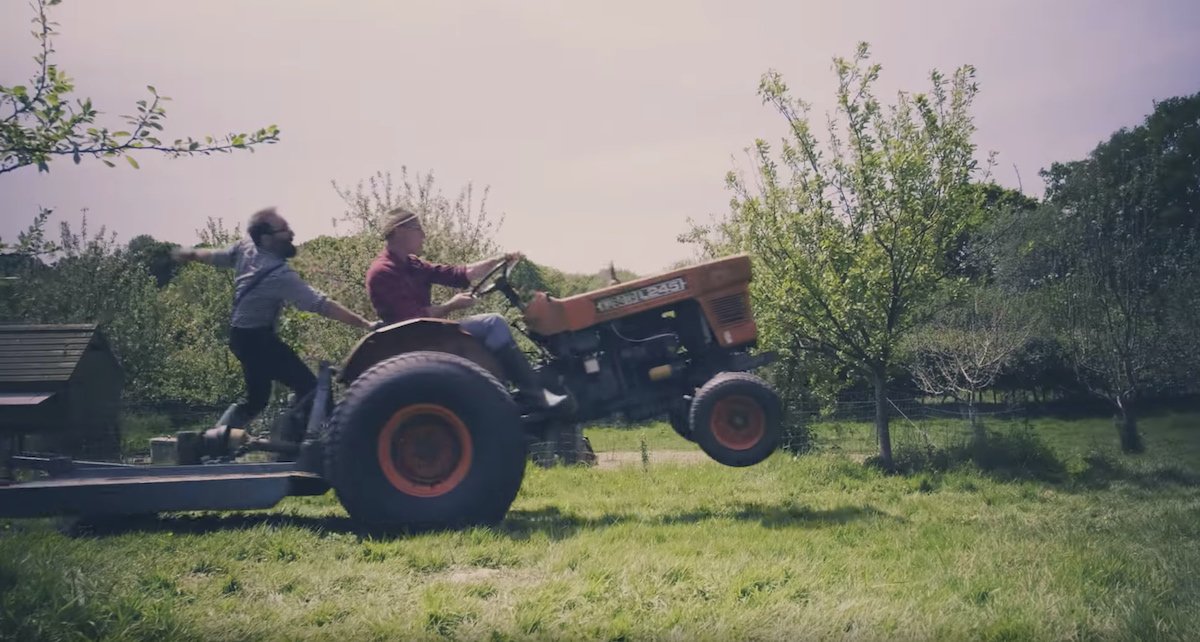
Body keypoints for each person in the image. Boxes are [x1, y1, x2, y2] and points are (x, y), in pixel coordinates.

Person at [173, 207, 375, 429]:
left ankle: (216, 440)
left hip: (240, 337)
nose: (291, 234)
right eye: (284, 230)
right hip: (257, 340)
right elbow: (320, 304)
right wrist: (364, 323)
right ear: (266, 239)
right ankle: (295, 440)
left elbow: (218, 257)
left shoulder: (247, 247)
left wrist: (191, 254)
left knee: (256, 401)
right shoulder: (277, 274)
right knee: (311, 390)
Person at [365, 207, 566, 409]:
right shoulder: (383, 272)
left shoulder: (413, 264)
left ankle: (511, 392)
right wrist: (451, 305)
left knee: (491, 326)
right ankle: (535, 396)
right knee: (493, 323)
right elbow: (412, 320)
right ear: (399, 230)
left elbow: (459, 273)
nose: (424, 235)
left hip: (428, 333)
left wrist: (498, 259)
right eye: (418, 229)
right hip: (416, 341)